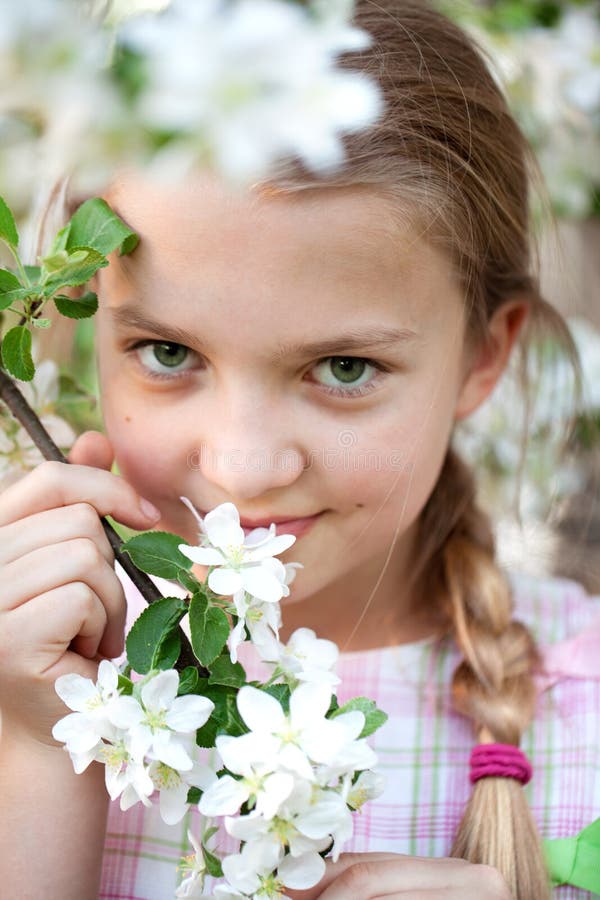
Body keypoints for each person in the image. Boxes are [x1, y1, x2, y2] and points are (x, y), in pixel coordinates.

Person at [0, 1, 598, 898]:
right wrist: (30, 751)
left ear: (483, 355)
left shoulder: (580, 719)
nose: (241, 467)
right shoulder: (25, 665)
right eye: (168, 353)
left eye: (344, 367)